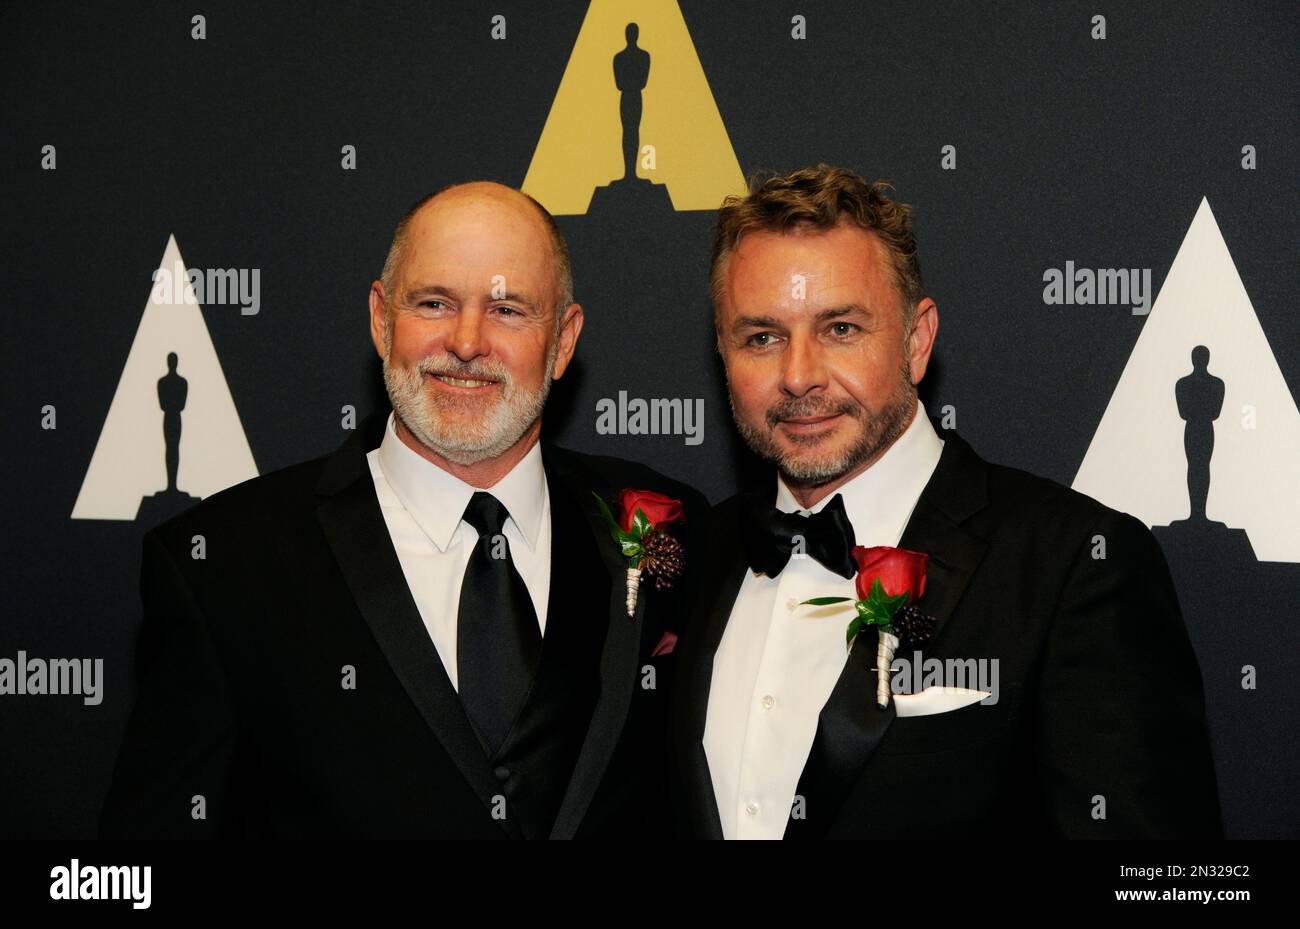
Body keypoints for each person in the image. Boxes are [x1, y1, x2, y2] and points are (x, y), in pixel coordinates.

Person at [100, 181, 704, 839]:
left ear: (562, 340)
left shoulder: (669, 524)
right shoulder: (221, 565)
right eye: (435, 302)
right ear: (382, 320)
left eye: (507, 310)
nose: (467, 342)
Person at [670, 164, 1222, 839]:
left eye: (840, 328)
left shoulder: (1074, 568)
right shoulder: (696, 556)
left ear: (916, 339)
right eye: (762, 337)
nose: (798, 376)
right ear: (723, 353)